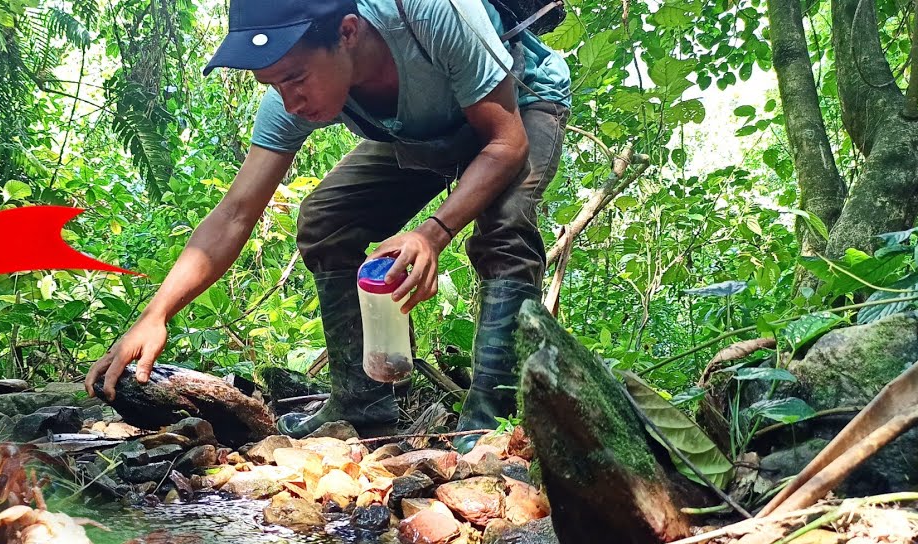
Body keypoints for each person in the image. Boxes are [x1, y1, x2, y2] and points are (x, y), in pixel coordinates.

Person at [86, 0, 570, 452]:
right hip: (422, 133)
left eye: (296, 78)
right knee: (327, 221)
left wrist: (432, 232)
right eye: (275, 85)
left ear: (348, 32)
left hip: (516, 108)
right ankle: (363, 409)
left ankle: (488, 426)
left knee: (505, 228)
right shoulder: (293, 92)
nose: (291, 100)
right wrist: (156, 315)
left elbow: (505, 144)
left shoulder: (432, 15)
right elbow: (235, 211)